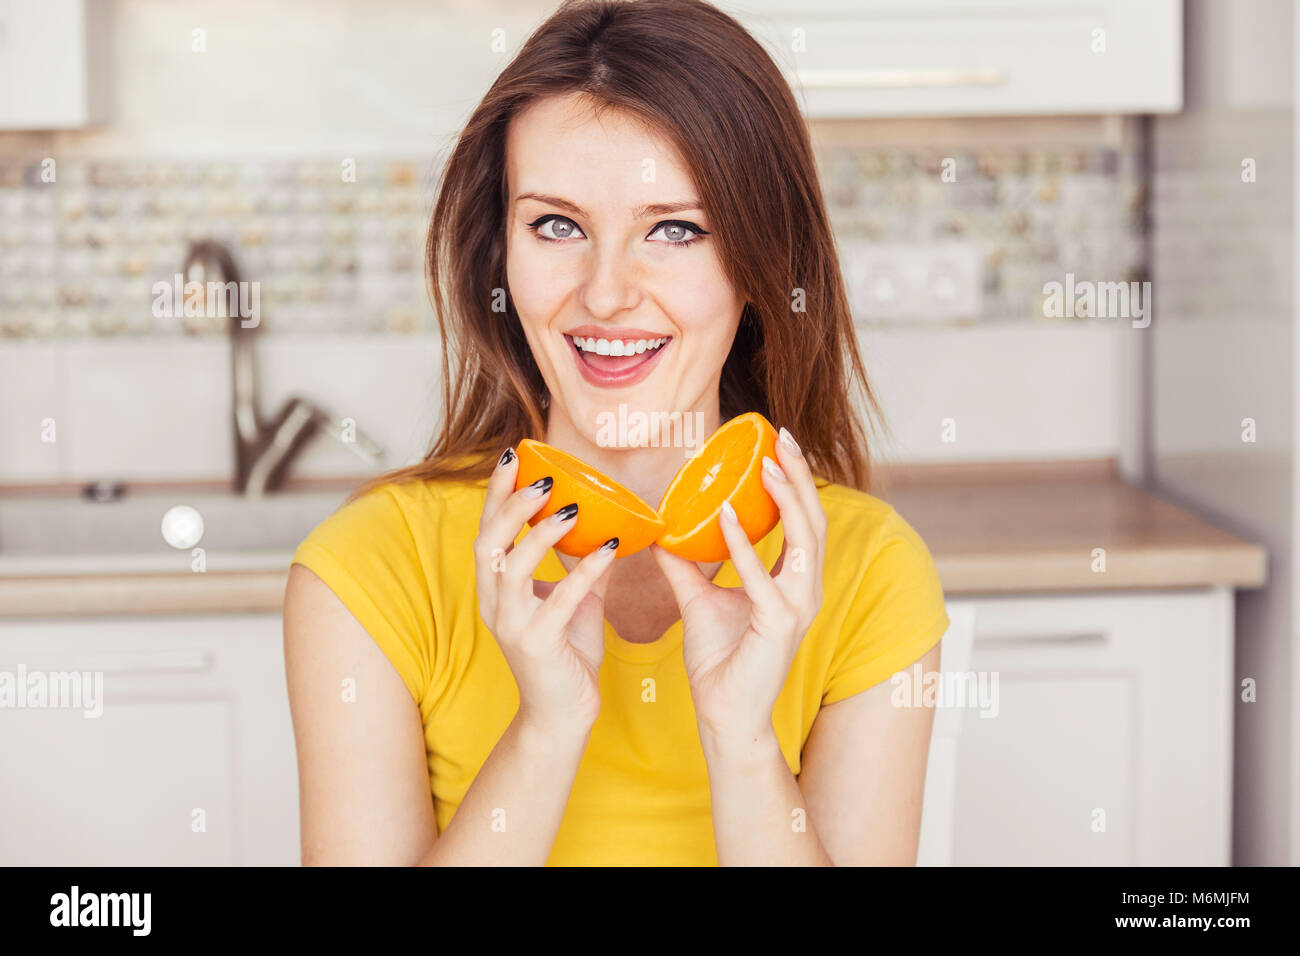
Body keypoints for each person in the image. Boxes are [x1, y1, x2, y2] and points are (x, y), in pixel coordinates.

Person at [283, 0, 949, 866]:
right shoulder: (367, 575)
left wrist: (742, 743)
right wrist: (547, 729)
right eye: (556, 225)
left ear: (761, 260)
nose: (605, 295)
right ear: (499, 255)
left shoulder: (866, 574)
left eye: (674, 229)